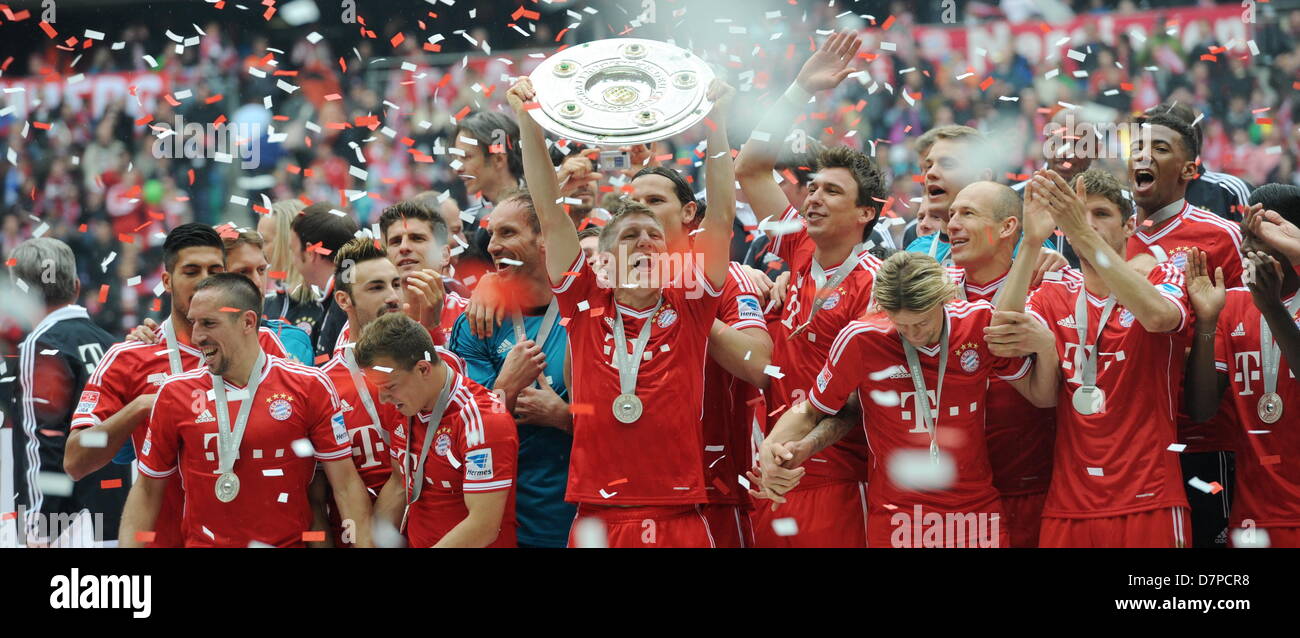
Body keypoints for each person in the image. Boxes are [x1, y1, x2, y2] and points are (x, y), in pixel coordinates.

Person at [507, 73, 736, 547]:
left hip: (681, 512)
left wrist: (718, 125)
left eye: (654, 235)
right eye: (631, 235)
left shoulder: (691, 302)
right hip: (598, 514)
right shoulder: (585, 302)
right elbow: (551, 214)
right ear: (605, 263)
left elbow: (721, 217)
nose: (647, 242)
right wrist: (528, 121)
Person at [753, 251, 1057, 547]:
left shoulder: (977, 324)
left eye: (922, 322)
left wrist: (1047, 347)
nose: (912, 334)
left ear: (944, 301)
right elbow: (811, 410)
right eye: (901, 324)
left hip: (975, 515)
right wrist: (772, 446)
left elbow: (1041, 396)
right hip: (899, 519)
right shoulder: (860, 338)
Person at [734, 31, 883, 547]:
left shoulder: (876, 288)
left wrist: (796, 450)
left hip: (835, 476)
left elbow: (859, 405)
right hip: (772, 469)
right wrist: (799, 89)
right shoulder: (798, 249)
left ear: (866, 213)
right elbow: (750, 168)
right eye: (813, 187)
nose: (814, 197)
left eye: (832, 191)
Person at [65, 223, 289, 547]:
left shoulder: (262, 344)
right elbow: (75, 460)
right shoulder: (129, 358)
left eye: (214, 269)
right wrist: (141, 406)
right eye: (191, 270)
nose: (204, 280)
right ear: (167, 281)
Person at [1006, 168, 1194, 547]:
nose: (1087, 222)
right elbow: (1002, 335)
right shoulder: (1054, 291)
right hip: (1068, 504)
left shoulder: (1162, 276)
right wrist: (1029, 244)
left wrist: (1080, 233)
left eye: (1101, 214)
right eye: (1079, 214)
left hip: (1149, 498)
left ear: (1130, 226)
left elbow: (1159, 317)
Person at [120, 274, 373, 547]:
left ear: (248, 322)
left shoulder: (309, 385)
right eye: (194, 323)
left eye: (209, 323)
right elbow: (147, 490)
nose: (196, 337)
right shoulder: (174, 394)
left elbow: (345, 485)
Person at [1126, 110, 1244, 548]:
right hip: (1130, 445)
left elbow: (1242, 335)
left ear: (1190, 169)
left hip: (1201, 442)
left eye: (1159, 148)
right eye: (1138, 147)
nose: (1144, 155)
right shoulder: (1111, 236)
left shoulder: (1220, 235)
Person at [943, 181, 1073, 547]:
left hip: (1038, 488)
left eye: (967, 213)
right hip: (957, 497)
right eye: (952, 214)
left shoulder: (1053, 283)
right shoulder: (935, 291)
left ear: (1007, 228)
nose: (952, 223)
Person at [449, 190, 576, 548]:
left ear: (545, 238)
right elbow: (460, 426)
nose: (492, 246)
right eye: (491, 235)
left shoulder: (589, 311)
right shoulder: (477, 322)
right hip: (500, 520)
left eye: (508, 233)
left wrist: (565, 417)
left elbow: (624, 425)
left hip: (577, 516)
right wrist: (504, 388)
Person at [1185, 185, 1300, 547]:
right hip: (1253, 512)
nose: (1248, 248)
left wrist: (1273, 308)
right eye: (1244, 235)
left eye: (1260, 236)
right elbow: (1201, 410)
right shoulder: (1232, 305)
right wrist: (1206, 323)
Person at [360, 313, 518, 548]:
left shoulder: (482, 419)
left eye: (389, 386)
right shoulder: (404, 406)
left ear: (423, 369)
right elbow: (398, 482)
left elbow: (484, 526)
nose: (383, 399)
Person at [9, 238, 125, 546]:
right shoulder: (112, 343)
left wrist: (37, 529)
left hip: (66, 526)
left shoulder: (40, 346)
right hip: (115, 518)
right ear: (75, 286)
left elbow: (44, 443)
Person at [315, 237, 408, 545]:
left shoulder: (434, 367)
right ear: (344, 301)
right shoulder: (321, 386)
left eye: (396, 284)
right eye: (376, 287)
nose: (394, 296)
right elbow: (318, 495)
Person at [374, 200, 467, 347]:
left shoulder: (471, 316)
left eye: (417, 238)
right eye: (396, 241)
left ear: (444, 255)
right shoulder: (369, 322)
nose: (404, 247)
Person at [904, 125, 995, 263]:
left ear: (982, 177)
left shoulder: (1016, 248)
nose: (930, 174)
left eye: (947, 164)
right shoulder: (916, 254)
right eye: (929, 166)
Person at [287, 202, 359, 360]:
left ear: (311, 252)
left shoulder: (347, 303)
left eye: (293, 250)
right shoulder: (344, 294)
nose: (293, 261)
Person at [259, 199, 309, 322]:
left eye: (264, 241)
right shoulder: (266, 302)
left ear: (290, 242)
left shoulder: (324, 302)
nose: (257, 248)